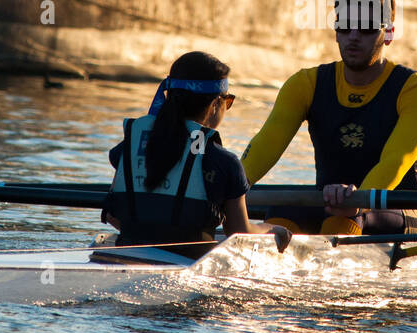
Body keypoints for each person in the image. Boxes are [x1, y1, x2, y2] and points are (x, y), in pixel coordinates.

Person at [242, 0, 417, 236]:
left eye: (367, 28)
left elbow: (395, 161)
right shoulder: (304, 84)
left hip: (404, 212)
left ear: (388, 34)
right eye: (345, 26)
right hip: (335, 206)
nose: (354, 37)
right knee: (281, 211)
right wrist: (227, 188)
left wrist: (358, 202)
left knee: (347, 221)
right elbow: (264, 146)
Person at [100, 51, 289, 249]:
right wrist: (269, 228)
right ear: (216, 104)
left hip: (126, 254)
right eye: (228, 101)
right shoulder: (224, 162)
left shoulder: (129, 145)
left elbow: (113, 215)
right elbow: (239, 232)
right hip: (189, 264)